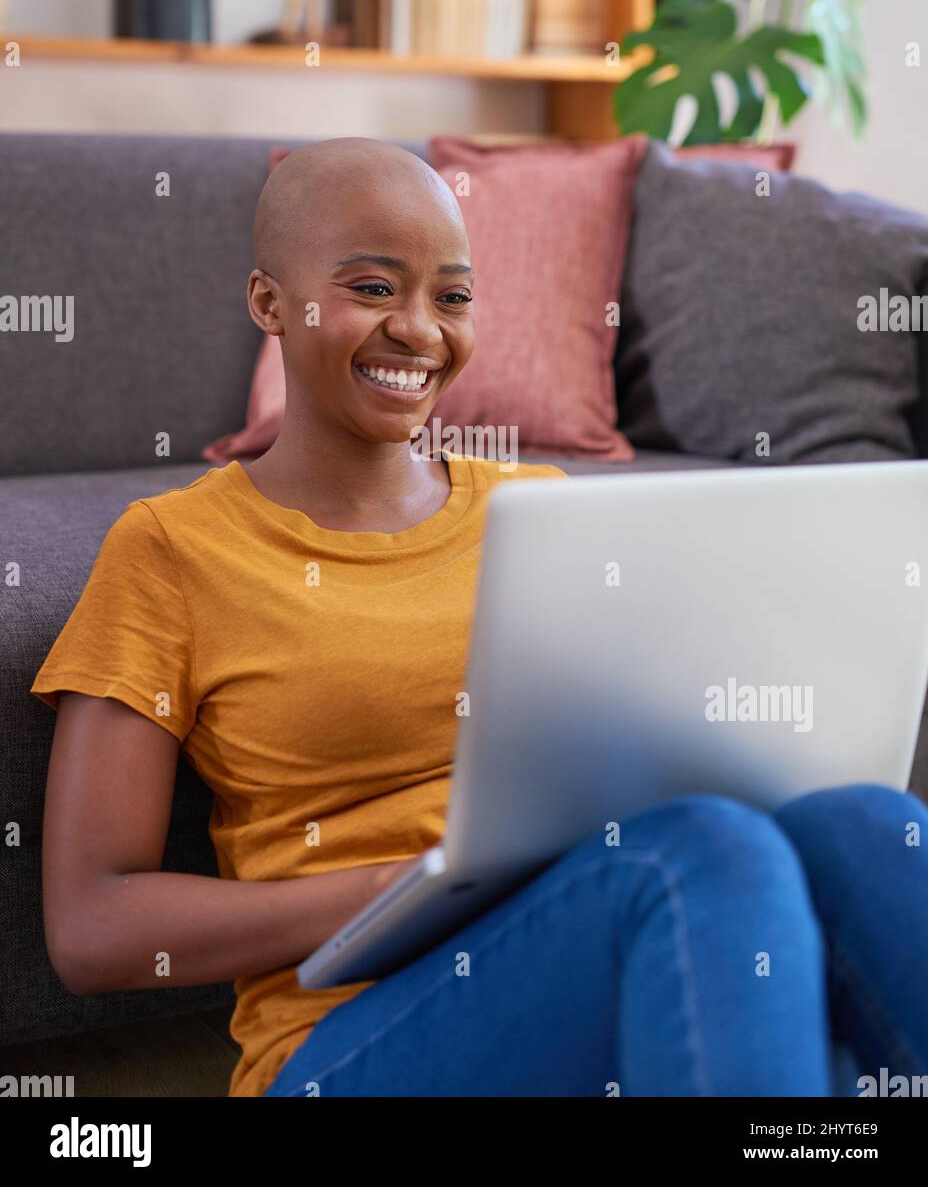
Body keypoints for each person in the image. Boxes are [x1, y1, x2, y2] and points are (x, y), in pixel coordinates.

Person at [32, 139, 928, 1098]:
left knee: (869, 826)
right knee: (700, 857)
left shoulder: (541, 509)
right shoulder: (170, 549)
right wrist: (388, 892)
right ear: (268, 303)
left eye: (451, 297)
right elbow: (92, 926)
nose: (418, 330)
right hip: (346, 1039)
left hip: (585, 950)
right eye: (374, 288)